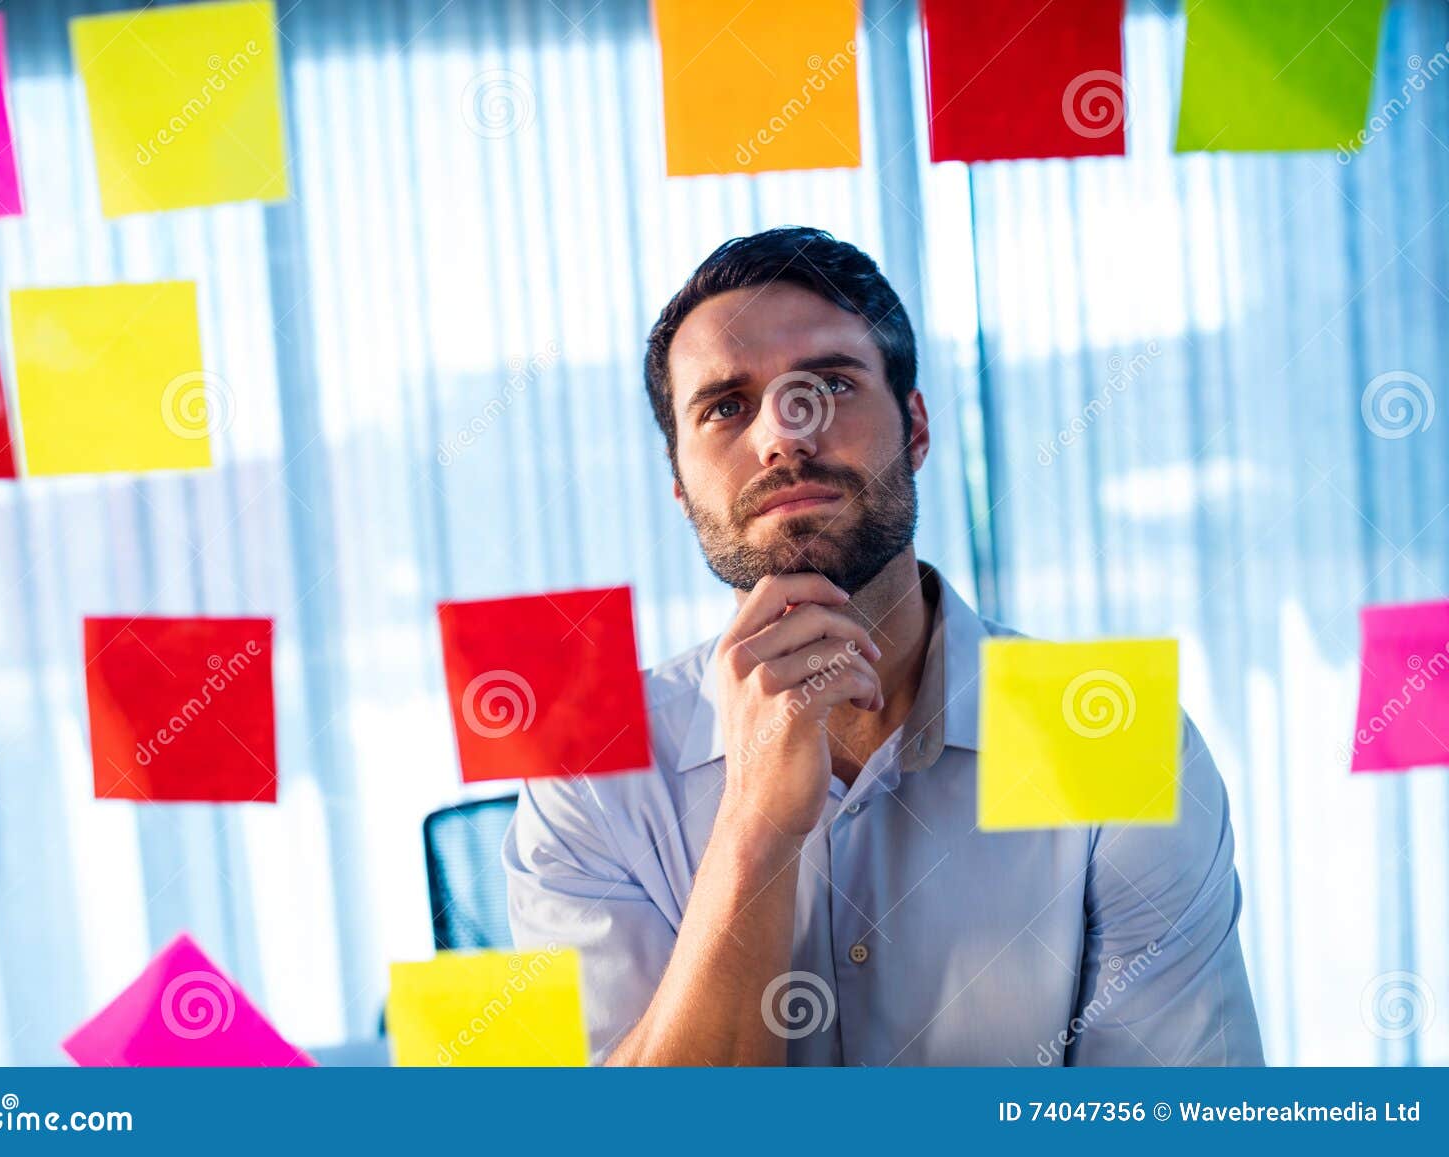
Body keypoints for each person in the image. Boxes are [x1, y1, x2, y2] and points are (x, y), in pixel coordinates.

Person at [502, 226, 1264, 1066]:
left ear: (917, 427)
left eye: (829, 383)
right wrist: (755, 825)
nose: (785, 435)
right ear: (681, 486)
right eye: (725, 405)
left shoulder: (1115, 733)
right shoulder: (593, 770)